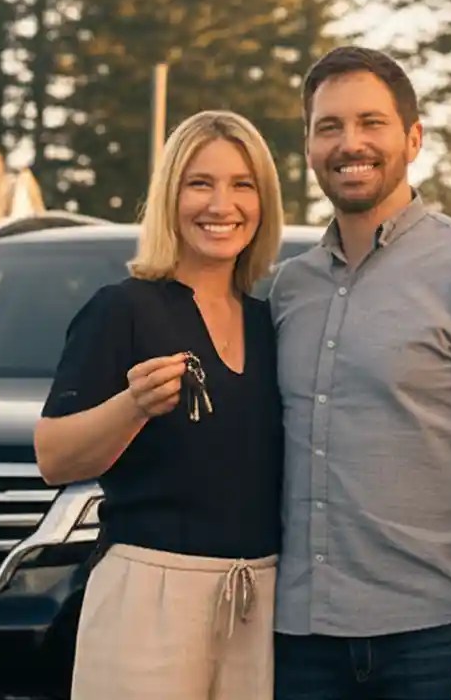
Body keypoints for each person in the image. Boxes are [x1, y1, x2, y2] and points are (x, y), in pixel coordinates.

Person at [267, 45, 451, 700]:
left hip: (438, 641)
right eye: (329, 127)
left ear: (413, 137)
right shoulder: (288, 291)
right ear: (310, 147)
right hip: (298, 645)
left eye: (371, 122)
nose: (351, 144)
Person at [33, 109, 286, 699]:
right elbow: (53, 458)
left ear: (264, 201)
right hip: (148, 597)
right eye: (200, 183)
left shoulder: (274, 324)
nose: (221, 205)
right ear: (171, 196)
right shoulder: (122, 309)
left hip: (259, 602)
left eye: (241, 185)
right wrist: (133, 405)